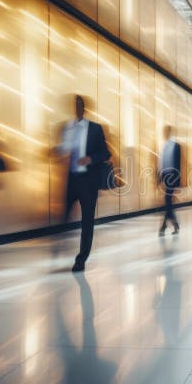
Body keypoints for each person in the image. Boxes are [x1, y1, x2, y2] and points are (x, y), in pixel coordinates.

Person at [60, 95, 111, 272]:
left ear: (84, 107)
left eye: (78, 104)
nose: (76, 107)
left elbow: (106, 153)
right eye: (73, 104)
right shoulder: (68, 127)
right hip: (72, 179)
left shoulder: (95, 128)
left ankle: (81, 259)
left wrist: (90, 158)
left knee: (87, 222)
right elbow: (64, 148)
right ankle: (59, 249)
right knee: (64, 215)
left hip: (88, 182)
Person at [159, 125, 181, 236]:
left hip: (172, 177)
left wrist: (177, 181)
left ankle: (163, 227)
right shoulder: (164, 146)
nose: (165, 133)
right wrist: (160, 179)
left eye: (167, 131)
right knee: (168, 202)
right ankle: (174, 225)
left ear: (170, 132)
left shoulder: (175, 146)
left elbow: (178, 165)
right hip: (165, 177)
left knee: (168, 201)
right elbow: (161, 163)